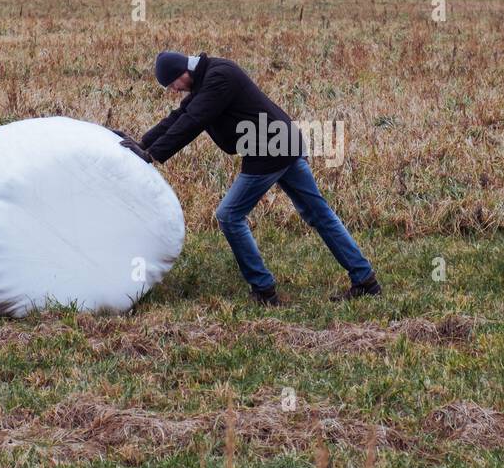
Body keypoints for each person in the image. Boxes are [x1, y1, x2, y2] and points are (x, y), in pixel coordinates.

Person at [117, 51, 380, 305]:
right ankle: (365, 280)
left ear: (183, 71)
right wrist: (142, 143)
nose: (174, 89)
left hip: (269, 149)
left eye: (173, 83)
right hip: (283, 143)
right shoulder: (207, 80)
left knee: (229, 215)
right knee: (319, 214)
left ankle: (263, 288)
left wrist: (153, 155)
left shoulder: (219, 78)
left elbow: (194, 121)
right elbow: (179, 117)